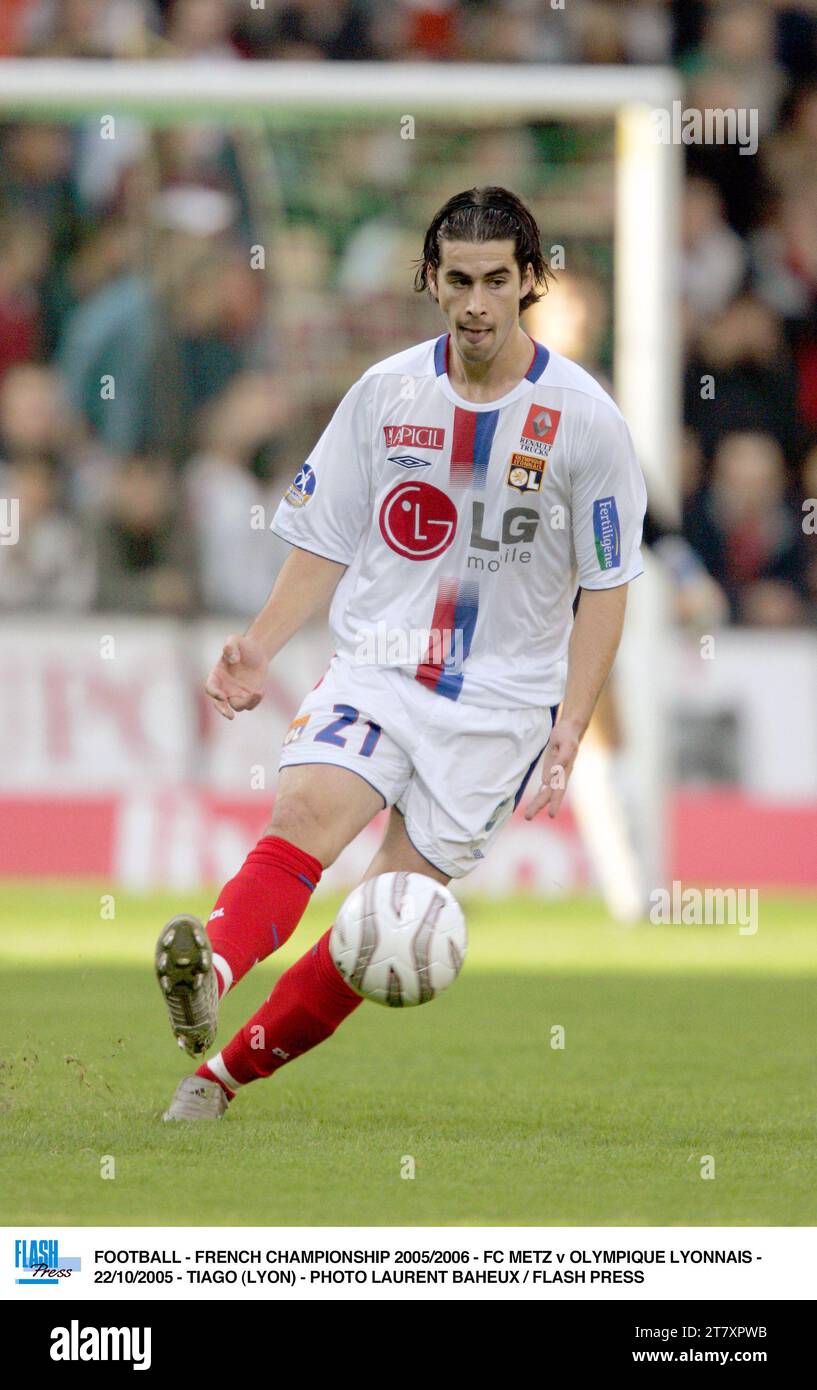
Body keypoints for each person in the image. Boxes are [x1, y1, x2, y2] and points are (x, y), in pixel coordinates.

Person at [156, 185, 647, 1121]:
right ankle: (209, 971)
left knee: (379, 927)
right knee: (303, 813)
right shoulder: (383, 394)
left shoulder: (586, 419)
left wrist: (570, 728)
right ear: (430, 280)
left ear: (530, 282)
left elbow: (607, 582)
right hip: (380, 665)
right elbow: (327, 539)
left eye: (495, 281)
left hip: (502, 706)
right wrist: (260, 647)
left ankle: (219, 1082)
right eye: (457, 280)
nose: (474, 302)